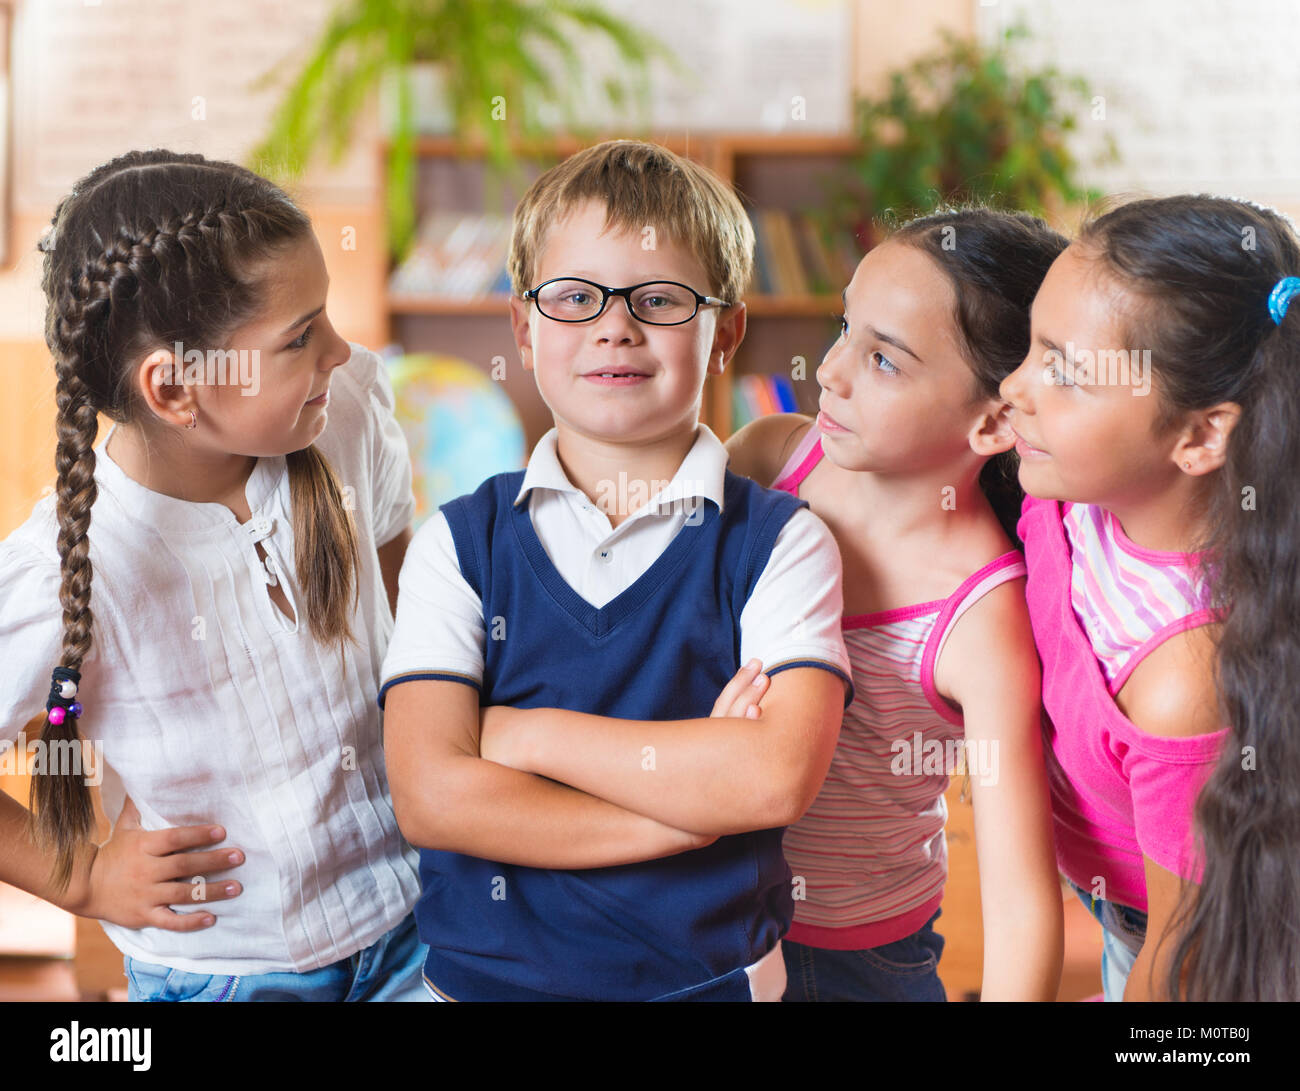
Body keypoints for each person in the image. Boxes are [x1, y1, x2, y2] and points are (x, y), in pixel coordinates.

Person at [380, 139, 852, 1002]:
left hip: (710, 984)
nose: (615, 325)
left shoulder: (782, 543)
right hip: (478, 988)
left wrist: (520, 734)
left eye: (662, 299)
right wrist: (684, 814)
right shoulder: (458, 543)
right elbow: (434, 797)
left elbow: (773, 776)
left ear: (727, 334)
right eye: (573, 297)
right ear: (523, 331)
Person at [0, 150, 427, 1001]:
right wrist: (81, 878)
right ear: (175, 390)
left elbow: (413, 640)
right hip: (231, 968)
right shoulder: (69, 563)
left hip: (417, 922)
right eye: (300, 336)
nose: (342, 350)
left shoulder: (343, 414)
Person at [726, 208, 1065, 1001]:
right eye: (846, 326)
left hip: (853, 959)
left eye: (884, 359)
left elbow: (1020, 908)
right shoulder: (771, 455)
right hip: (708, 917)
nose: (832, 370)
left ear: (993, 420)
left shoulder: (979, 615)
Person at [1001, 194, 1300, 1001]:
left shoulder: (1182, 680)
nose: (1013, 386)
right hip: (1107, 906)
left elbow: (1180, 963)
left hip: (1179, 948)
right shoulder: (1070, 494)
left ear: (1202, 435)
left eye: (1064, 371)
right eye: (1032, 347)